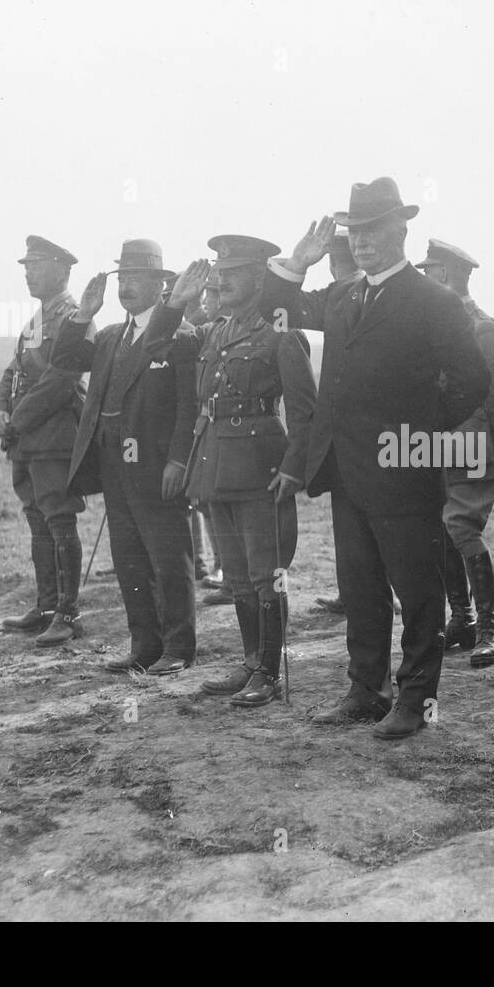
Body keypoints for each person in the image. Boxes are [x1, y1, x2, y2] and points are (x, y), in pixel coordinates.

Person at [261, 177, 490, 739]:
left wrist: (419, 434)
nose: (361, 241)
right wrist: (298, 262)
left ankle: (414, 699)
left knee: (416, 589)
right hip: (346, 469)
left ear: (401, 231)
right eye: (354, 232)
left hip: (404, 469)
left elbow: (472, 381)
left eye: (372, 230)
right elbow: (276, 311)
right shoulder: (342, 295)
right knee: (360, 587)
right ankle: (367, 689)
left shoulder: (435, 301)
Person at [153, 237, 316, 708]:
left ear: (260, 278)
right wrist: (176, 301)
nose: (221, 279)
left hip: (261, 470)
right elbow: (161, 345)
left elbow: (305, 409)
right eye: (219, 271)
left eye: (234, 271)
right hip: (215, 468)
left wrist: (293, 469)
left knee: (267, 575)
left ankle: (269, 671)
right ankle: (250, 662)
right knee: (240, 578)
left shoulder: (282, 331)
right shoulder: (214, 332)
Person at [51, 239, 198, 676]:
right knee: (129, 557)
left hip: (157, 464)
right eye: (123, 278)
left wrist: (179, 461)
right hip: (114, 461)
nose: (127, 286)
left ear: (160, 284)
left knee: (169, 557)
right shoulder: (112, 335)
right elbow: (64, 359)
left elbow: (189, 405)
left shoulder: (181, 334)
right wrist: (84, 314)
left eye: (137, 277)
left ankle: (178, 649)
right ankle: (145, 646)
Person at [415, 239, 494, 667]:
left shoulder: (482, 329)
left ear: (441, 275)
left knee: (461, 527)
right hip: (425, 443)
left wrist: (485, 444)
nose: (422, 279)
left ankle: (489, 628)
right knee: (437, 528)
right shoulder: (426, 325)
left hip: (466, 439)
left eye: (427, 272)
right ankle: (461, 618)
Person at [0, 236, 92, 646]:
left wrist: (17, 419)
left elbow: (62, 380)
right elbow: (13, 370)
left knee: (59, 520)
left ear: (62, 271)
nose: (28, 272)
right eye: (26, 266)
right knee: (37, 519)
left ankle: (69, 613)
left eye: (36, 265)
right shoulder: (37, 319)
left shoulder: (74, 316)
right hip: (27, 438)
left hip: (52, 437)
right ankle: (47, 605)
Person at [313, 230, 362, 617]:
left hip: (355, 434)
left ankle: (360, 593)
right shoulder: (341, 296)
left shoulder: (340, 295)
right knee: (350, 526)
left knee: (358, 526)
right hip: (354, 436)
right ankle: (351, 593)